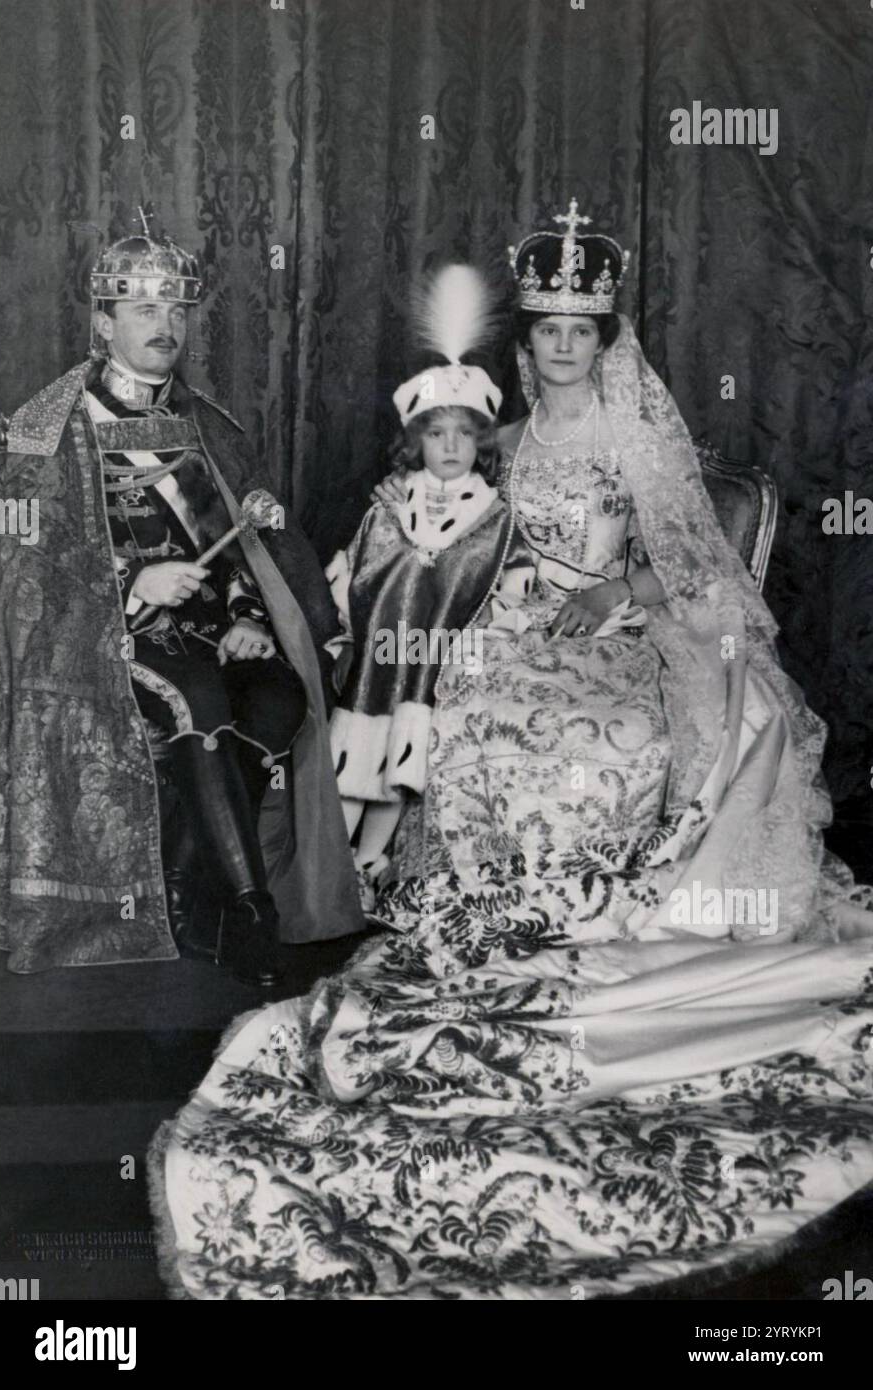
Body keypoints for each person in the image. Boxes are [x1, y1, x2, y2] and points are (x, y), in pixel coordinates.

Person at [151, 203, 873, 1299]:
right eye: (547, 331)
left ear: (606, 337)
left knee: (613, 736)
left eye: (584, 330)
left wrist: (613, 598)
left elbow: (692, 564)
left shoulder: (636, 436)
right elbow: (471, 546)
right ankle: (494, 908)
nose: (565, 347)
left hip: (628, 630)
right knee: (473, 716)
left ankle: (594, 906)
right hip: (524, 625)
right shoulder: (512, 437)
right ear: (526, 342)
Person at [0, 218, 362, 980]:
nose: (166, 327)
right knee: (197, 701)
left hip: (201, 631)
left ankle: (195, 891)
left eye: (177, 311)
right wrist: (129, 585)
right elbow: (21, 569)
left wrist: (247, 618)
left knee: (276, 697)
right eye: (144, 311)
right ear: (103, 322)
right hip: (96, 636)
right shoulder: (47, 430)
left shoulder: (201, 425)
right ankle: (249, 910)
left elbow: (231, 547)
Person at [325, 266, 534, 909]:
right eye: (436, 434)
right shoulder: (389, 507)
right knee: (352, 766)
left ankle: (370, 861)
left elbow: (515, 585)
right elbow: (349, 571)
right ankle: (330, 865)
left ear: (480, 442)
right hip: (376, 667)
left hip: (436, 673)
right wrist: (342, 628)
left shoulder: (495, 516)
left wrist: (491, 642)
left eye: (464, 435)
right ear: (416, 441)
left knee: (399, 771)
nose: (450, 446)